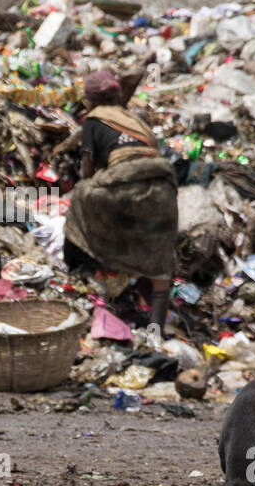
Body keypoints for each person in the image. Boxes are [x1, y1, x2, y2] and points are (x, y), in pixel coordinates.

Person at [63, 70, 178, 329]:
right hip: (162, 187)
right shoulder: (135, 119)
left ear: (90, 101)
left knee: (82, 197)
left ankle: (79, 271)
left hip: (125, 183)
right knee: (160, 258)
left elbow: (87, 169)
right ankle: (156, 328)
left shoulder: (93, 120)